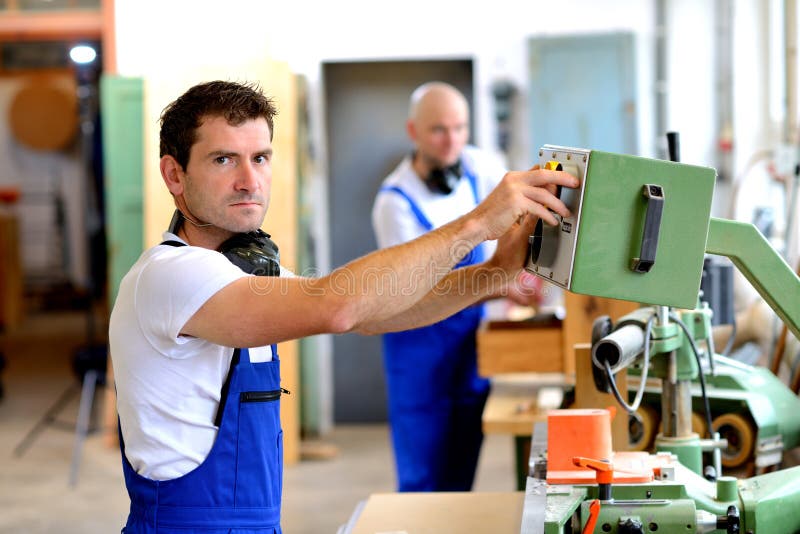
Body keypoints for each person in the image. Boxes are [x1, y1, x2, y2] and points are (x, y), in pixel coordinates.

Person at [109, 80, 577, 533]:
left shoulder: (242, 275)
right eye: (224, 159)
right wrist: (475, 224)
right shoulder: (170, 276)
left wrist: (494, 273)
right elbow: (339, 305)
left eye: (261, 158)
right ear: (174, 174)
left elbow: (379, 313)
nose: (249, 180)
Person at [371, 81, 541, 492]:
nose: (452, 141)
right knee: (423, 475)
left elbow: (515, 220)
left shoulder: (480, 169)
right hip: (418, 349)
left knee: (463, 464)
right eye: (438, 130)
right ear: (414, 132)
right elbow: (415, 292)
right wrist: (502, 285)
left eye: (460, 128)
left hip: (467, 342)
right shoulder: (395, 201)